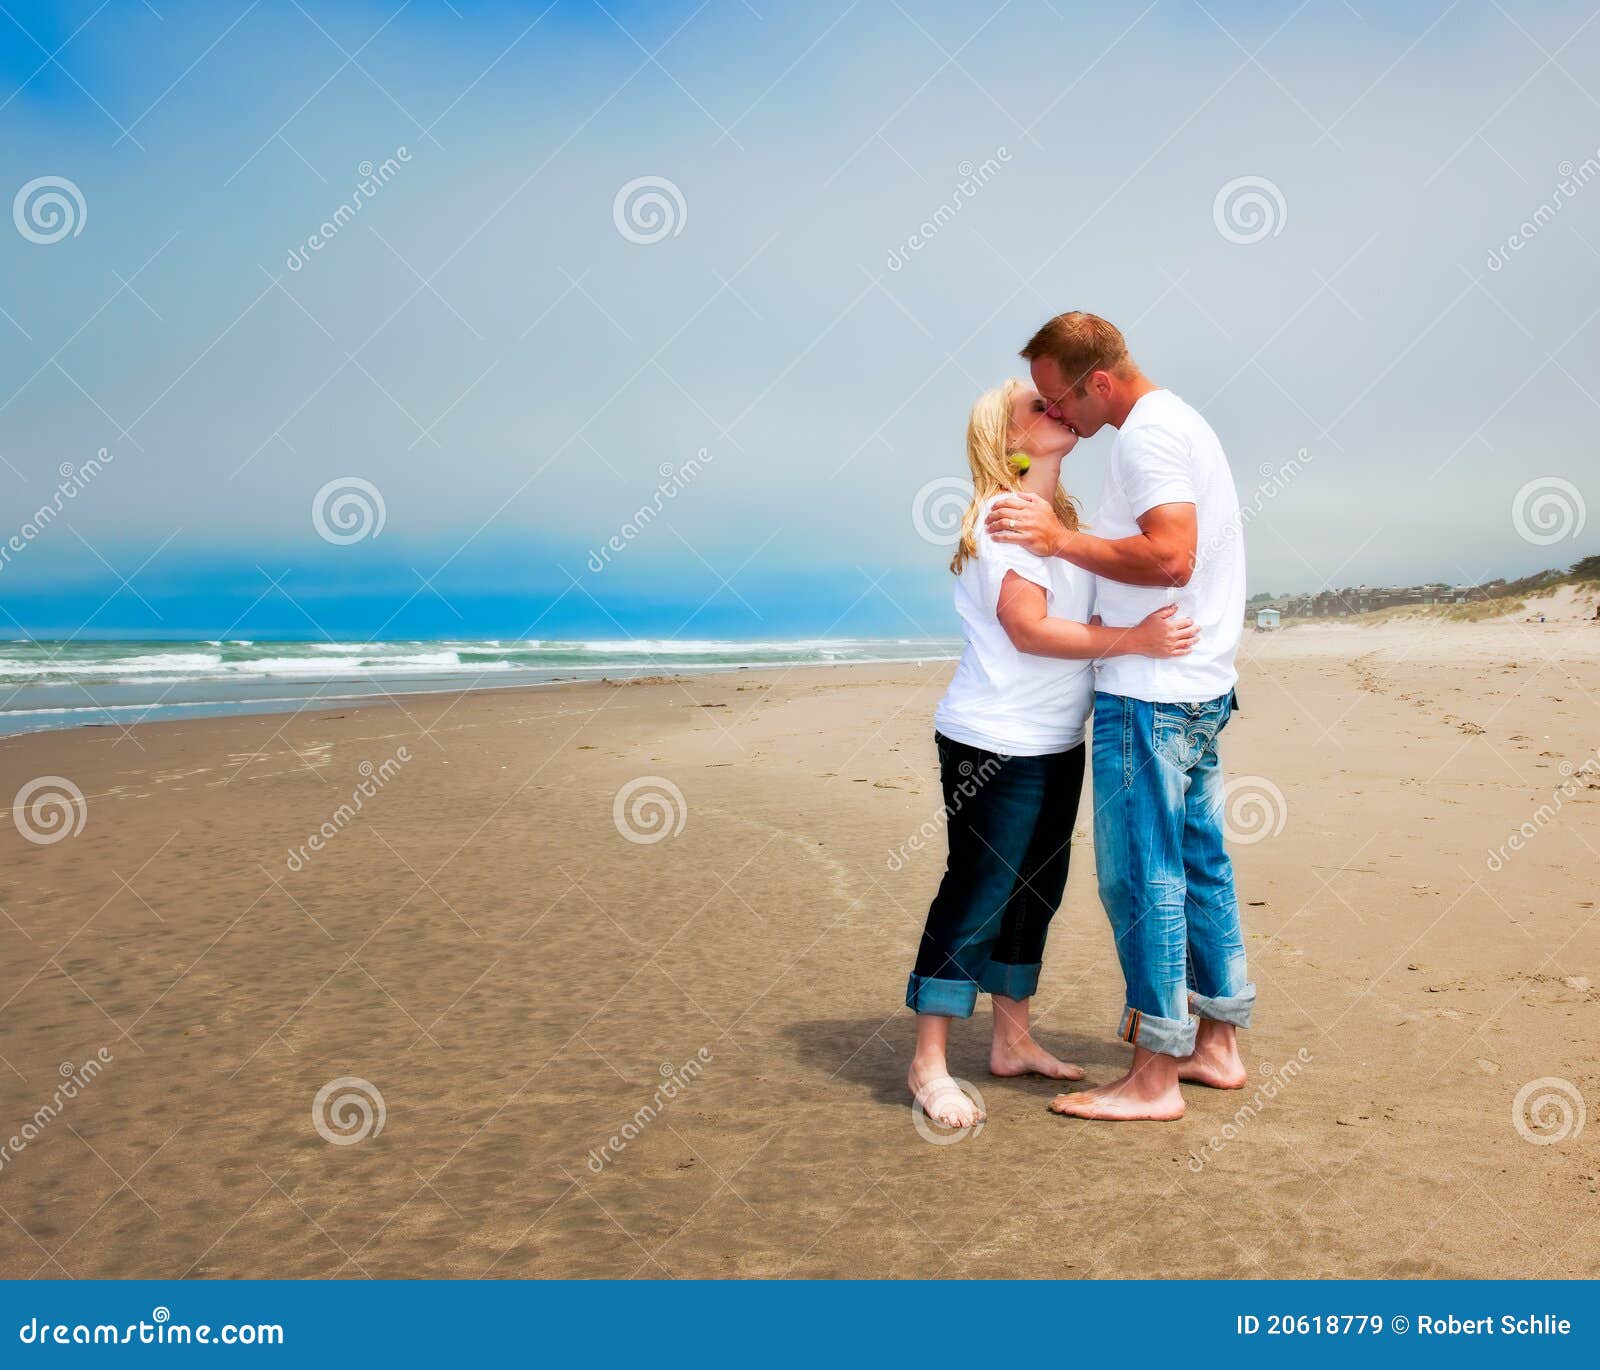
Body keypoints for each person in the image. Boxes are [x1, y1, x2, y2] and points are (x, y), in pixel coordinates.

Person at [907, 378, 1198, 1130]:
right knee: (976, 892)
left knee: (1035, 893)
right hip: (992, 743)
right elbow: (1028, 629)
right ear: (1008, 442)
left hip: (1054, 740)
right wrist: (1133, 642)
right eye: (1037, 407)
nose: (1056, 406)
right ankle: (928, 1064)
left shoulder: (1056, 519)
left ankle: (1011, 1040)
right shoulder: (1005, 519)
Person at [987, 311, 1254, 1122]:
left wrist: (1058, 541)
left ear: (1097, 381)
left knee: (1142, 878)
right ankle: (1217, 1044)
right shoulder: (1180, 423)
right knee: (1199, 864)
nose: (1057, 414)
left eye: (1058, 397)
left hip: (1151, 695)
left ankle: (1152, 1076)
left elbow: (1172, 556)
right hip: (1196, 685)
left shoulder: (1145, 437)